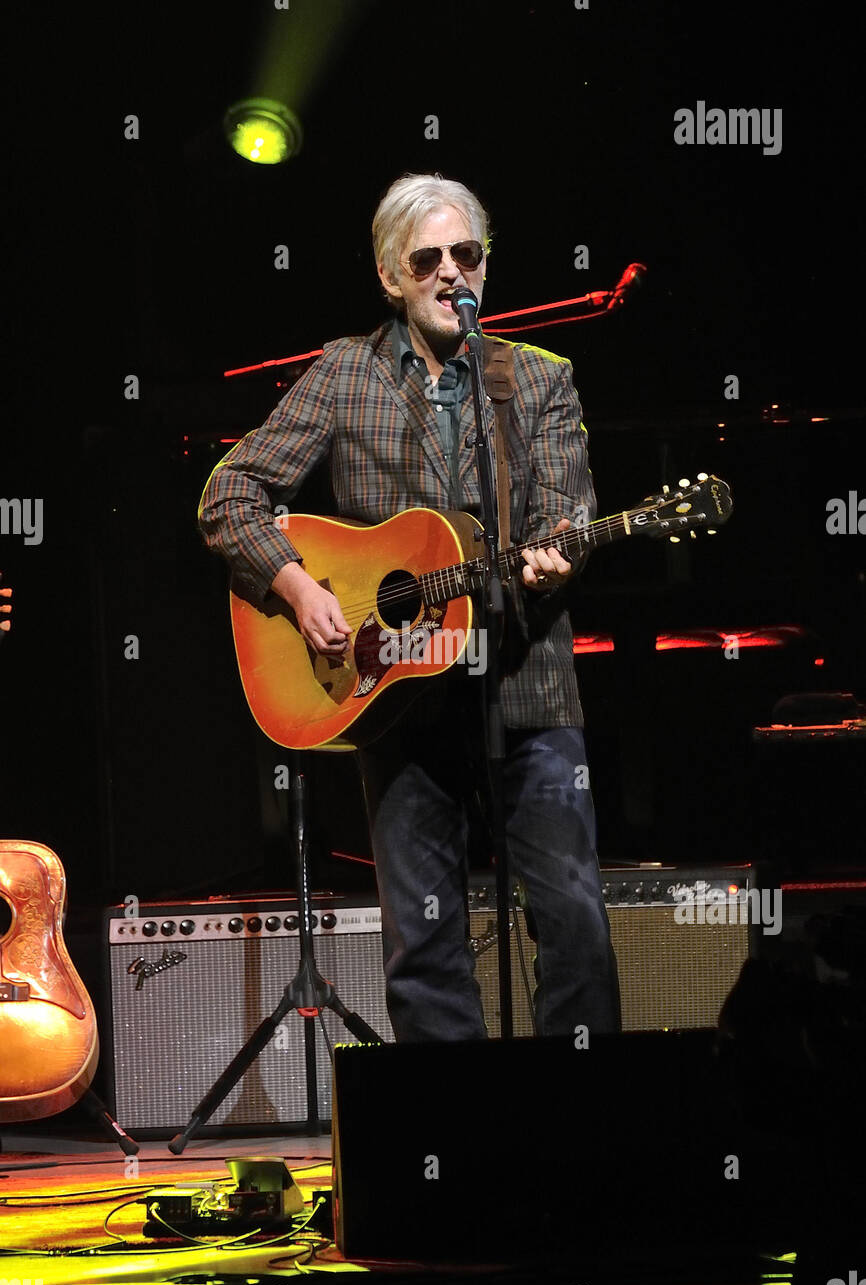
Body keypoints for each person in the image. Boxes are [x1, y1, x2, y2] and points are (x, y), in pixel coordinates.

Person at [198, 172, 621, 1043]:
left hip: (528, 693)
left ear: (485, 266)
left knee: (576, 927)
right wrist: (296, 582)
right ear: (391, 277)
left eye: (466, 255)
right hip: (400, 701)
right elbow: (229, 492)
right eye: (426, 260)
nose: (449, 274)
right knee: (424, 949)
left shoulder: (536, 380)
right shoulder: (346, 374)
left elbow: (567, 518)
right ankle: (449, 1156)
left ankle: (583, 1141)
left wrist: (551, 560)